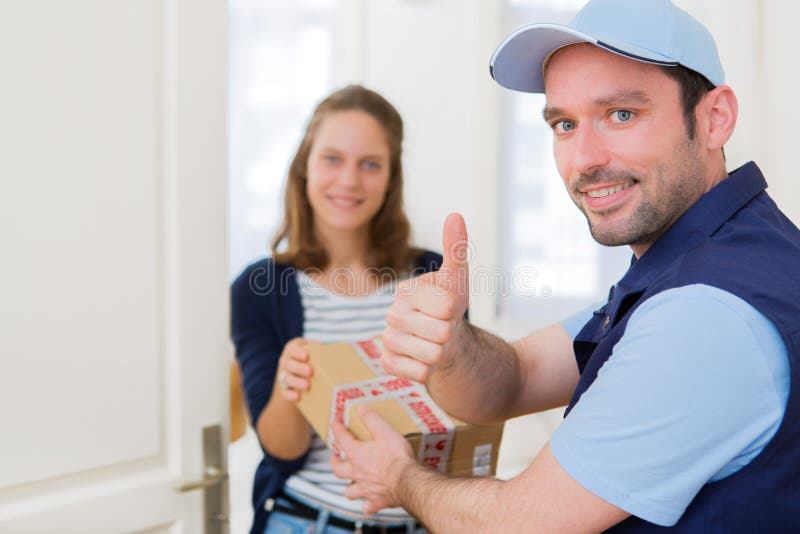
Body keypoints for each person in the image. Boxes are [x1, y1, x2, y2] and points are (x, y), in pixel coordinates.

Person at [329, 0, 800, 532]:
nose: (584, 159)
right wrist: (451, 345)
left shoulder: (706, 314)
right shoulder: (705, 260)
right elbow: (516, 378)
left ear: (714, 118)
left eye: (622, 114)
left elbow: (515, 524)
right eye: (565, 124)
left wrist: (398, 476)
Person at [231, 85, 437, 533]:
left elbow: (459, 413)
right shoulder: (258, 289)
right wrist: (290, 385)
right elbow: (282, 451)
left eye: (370, 164)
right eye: (332, 159)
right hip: (306, 522)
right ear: (304, 166)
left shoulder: (430, 276)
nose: (349, 180)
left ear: (391, 178)